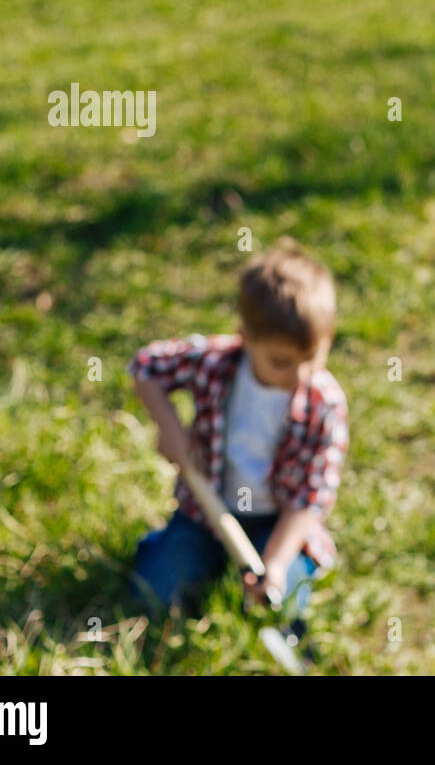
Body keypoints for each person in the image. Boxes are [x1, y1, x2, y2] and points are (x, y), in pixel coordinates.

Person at [127, 238, 348, 620]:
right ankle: (176, 551)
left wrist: (275, 563)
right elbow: (146, 365)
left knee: (282, 604)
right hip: (208, 513)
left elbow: (311, 498)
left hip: (276, 522)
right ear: (244, 338)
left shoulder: (323, 402)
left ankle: (275, 572)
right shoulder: (214, 364)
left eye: (311, 358)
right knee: (153, 595)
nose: (297, 374)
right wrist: (171, 429)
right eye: (280, 361)